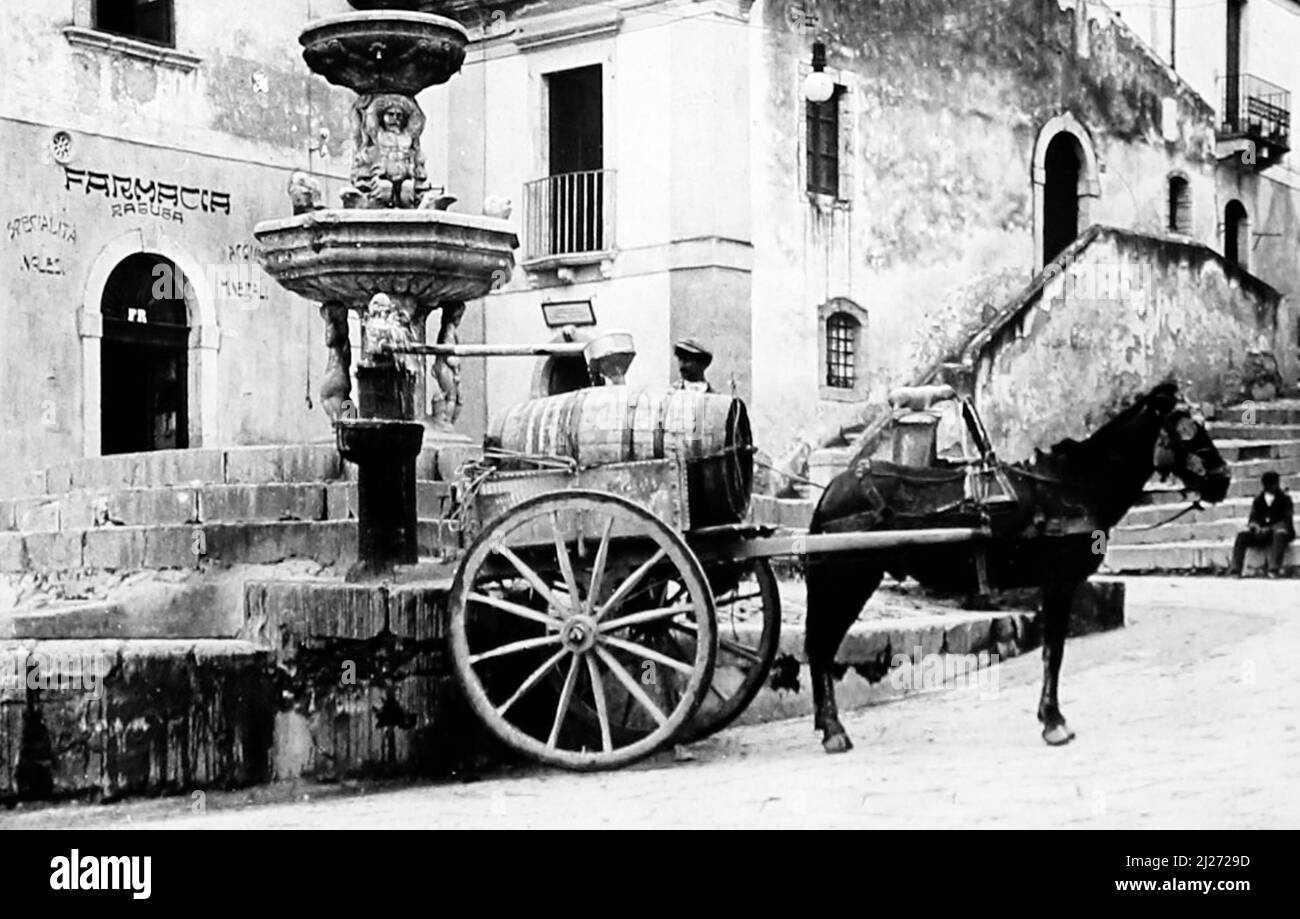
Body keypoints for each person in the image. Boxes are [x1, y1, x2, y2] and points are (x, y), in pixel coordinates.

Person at [1229, 471, 1294, 578]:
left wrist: (1270, 528)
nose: (1274, 487)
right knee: (1242, 536)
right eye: (1271, 485)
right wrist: (1256, 527)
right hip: (1261, 533)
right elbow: (1252, 519)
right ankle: (1236, 569)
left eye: (1275, 484)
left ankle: (1274, 569)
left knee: (1279, 534)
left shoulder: (1285, 499)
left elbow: (1286, 520)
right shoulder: (1258, 500)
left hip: (1278, 533)